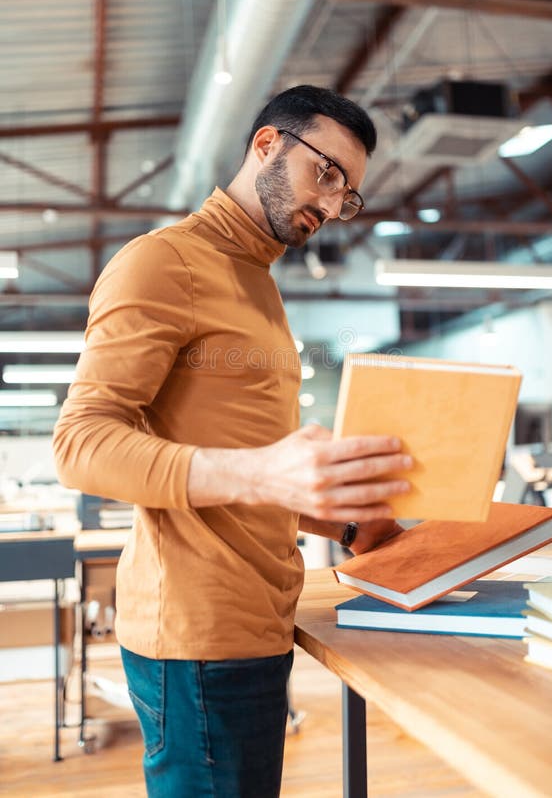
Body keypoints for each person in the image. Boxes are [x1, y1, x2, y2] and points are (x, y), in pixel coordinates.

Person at [53, 85, 412, 798]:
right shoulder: (164, 263)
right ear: (267, 144)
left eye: (347, 195)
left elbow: (251, 466)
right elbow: (81, 443)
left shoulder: (258, 283)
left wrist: (345, 521)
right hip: (199, 640)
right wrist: (265, 474)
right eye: (326, 173)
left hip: (258, 623)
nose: (331, 205)